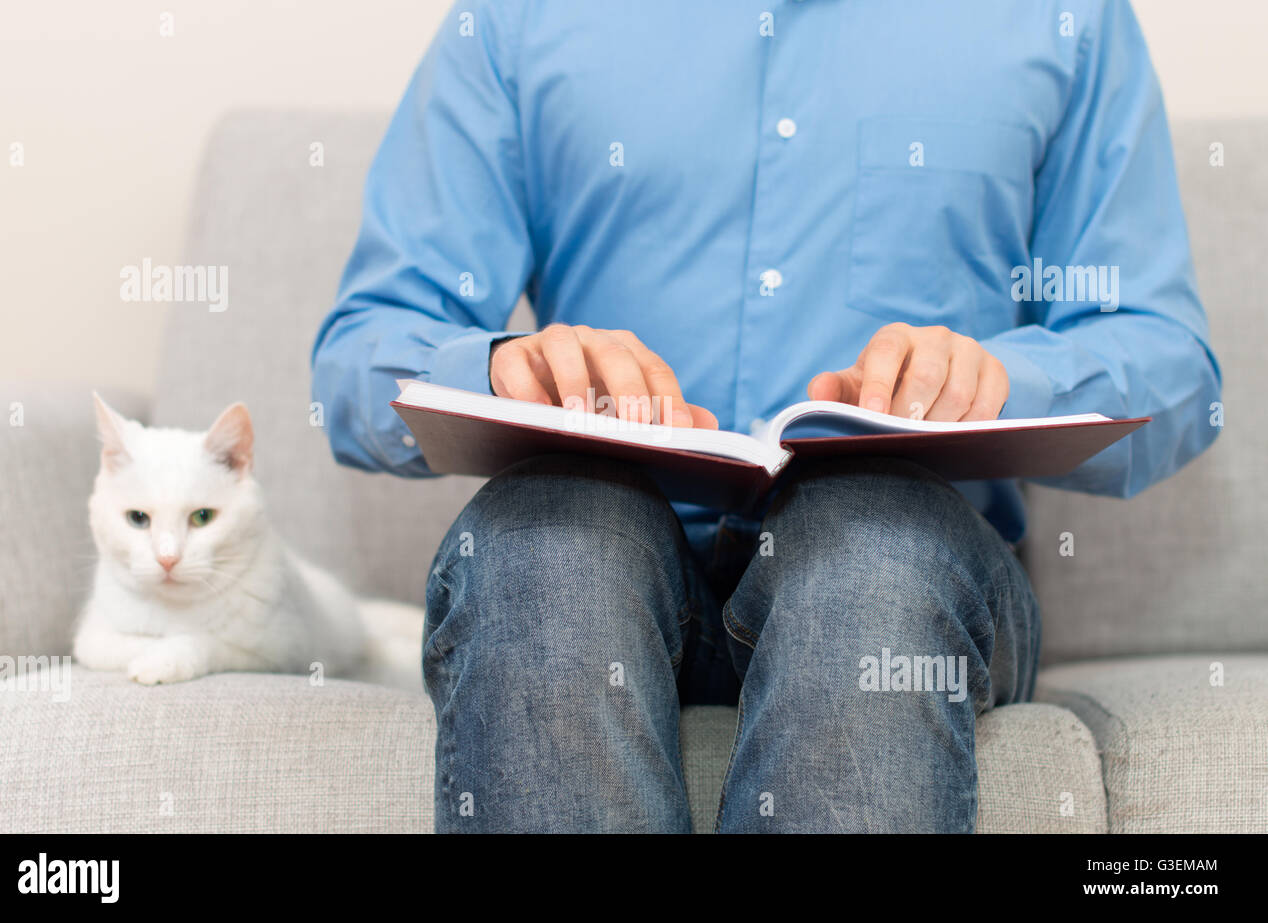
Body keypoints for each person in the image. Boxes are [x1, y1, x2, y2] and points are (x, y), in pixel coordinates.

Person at [311, 0, 1220, 832]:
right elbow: (360, 359)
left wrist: (998, 379)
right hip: (611, 556)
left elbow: (1172, 365)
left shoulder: (1064, 18)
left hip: (914, 566)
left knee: (869, 546)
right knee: (544, 541)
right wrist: (503, 368)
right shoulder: (519, 19)